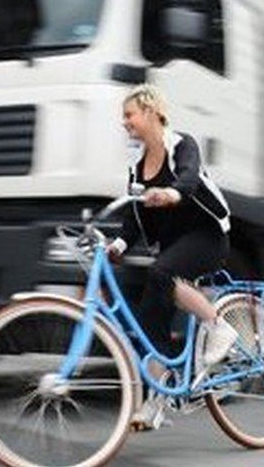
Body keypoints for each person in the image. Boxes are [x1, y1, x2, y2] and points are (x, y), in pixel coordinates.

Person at [108, 84, 239, 431]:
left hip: (208, 237)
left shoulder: (182, 144)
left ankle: (220, 328)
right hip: (173, 249)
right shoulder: (137, 169)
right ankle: (157, 401)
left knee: (162, 273)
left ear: (150, 111)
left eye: (129, 114)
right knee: (149, 317)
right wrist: (118, 245)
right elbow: (133, 219)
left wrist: (170, 193)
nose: (124, 122)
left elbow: (189, 179)